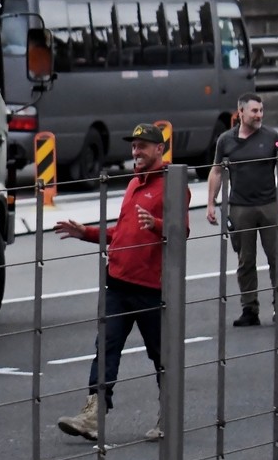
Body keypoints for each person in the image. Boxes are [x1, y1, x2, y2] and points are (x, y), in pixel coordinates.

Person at [54, 123, 190, 442]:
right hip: (117, 284)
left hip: (151, 290)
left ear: (160, 149)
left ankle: (169, 415)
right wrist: (85, 233)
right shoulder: (132, 185)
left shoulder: (173, 183)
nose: (136, 152)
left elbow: (181, 231)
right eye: (133, 146)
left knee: (161, 355)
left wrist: (156, 224)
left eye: (143, 146)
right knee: (106, 348)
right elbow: (121, 234)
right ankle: (93, 415)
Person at [207, 93, 278, 327]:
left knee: (277, 258)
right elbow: (216, 171)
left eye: (261, 111)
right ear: (241, 112)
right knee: (245, 261)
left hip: (268, 205)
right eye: (254, 111)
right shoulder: (225, 140)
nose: (259, 115)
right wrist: (211, 202)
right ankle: (249, 308)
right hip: (240, 207)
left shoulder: (272, 137)